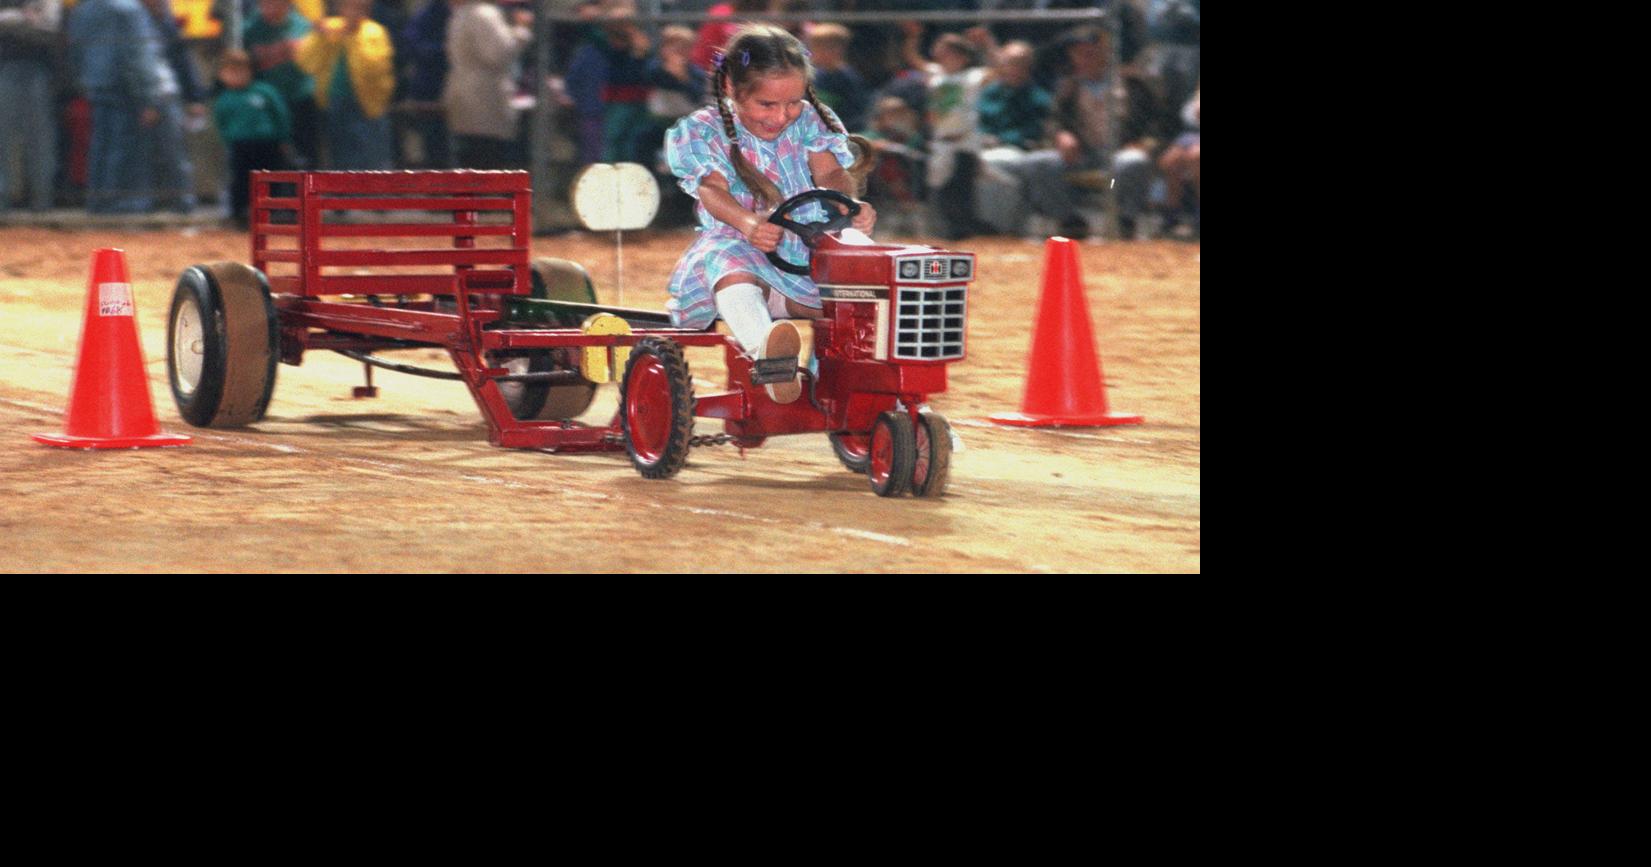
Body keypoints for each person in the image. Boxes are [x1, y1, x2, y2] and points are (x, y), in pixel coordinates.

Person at [662, 24, 875, 405]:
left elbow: (830, 173)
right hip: (740, 242)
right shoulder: (703, 130)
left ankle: (847, 388)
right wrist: (747, 223)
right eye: (766, 104)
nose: (781, 117)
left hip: (803, 246)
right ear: (731, 87)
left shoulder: (811, 119)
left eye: (792, 102)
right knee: (728, 259)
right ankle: (769, 355)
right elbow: (711, 189)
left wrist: (849, 207)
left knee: (859, 284)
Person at [67, 0, 177, 213]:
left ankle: (97, 204)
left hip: (96, 86)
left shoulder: (82, 10)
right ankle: (121, 206)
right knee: (125, 150)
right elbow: (138, 55)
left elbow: (75, 52)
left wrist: (84, 80)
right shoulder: (129, 10)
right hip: (127, 90)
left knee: (99, 147)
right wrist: (148, 96)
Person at [297, 0, 395, 170]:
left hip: (368, 106)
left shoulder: (374, 32)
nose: (354, 11)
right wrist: (321, 36)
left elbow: (374, 68)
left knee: (372, 159)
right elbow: (307, 63)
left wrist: (351, 36)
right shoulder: (329, 28)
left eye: (360, 7)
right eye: (350, 5)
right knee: (340, 158)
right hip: (335, 103)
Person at [442, 0, 531, 169]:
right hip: (485, 99)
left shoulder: (461, 13)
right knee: (488, 162)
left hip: (464, 96)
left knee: (469, 162)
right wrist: (522, 30)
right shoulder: (484, 14)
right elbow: (499, 54)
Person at [213, 49, 290, 227]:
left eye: (241, 70)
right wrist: (228, 139)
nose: (237, 75)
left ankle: (274, 212)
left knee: (271, 179)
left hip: (267, 144)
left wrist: (283, 137)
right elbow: (221, 123)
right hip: (240, 145)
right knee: (240, 180)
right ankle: (240, 214)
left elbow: (280, 114)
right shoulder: (225, 99)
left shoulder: (264, 92)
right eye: (231, 72)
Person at [139, 0, 203, 213]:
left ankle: (183, 204)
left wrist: (195, 97)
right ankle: (148, 204)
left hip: (167, 95)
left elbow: (182, 60)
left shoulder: (166, 22)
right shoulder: (134, 19)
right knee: (144, 155)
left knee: (175, 153)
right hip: (140, 98)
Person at [0, 0, 61, 212]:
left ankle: (42, 202)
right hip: (6, 69)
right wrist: (24, 22)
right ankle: (4, 201)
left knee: (39, 141)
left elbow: (51, 34)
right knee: (4, 140)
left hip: (39, 71)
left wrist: (13, 24)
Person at [245, 0, 319, 168]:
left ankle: (309, 192)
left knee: (305, 154)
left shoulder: (303, 27)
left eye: (276, 4)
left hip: (300, 97)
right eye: (265, 4)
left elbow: (316, 63)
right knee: (272, 158)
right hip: (267, 102)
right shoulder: (250, 29)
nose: (269, 8)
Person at [400, 0, 452, 167]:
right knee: (434, 145)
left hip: (457, 91)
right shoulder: (427, 14)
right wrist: (443, 50)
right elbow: (412, 45)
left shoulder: (459, 12)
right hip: (430, 90)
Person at [804, 23, 867, 133]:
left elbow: (856, 113)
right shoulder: (809, 76)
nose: (817, 52)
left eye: (826, 47)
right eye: (815, 47)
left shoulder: (849, 79)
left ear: (840, 50)